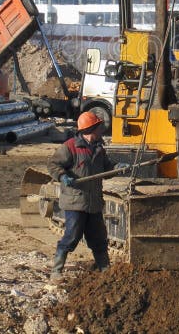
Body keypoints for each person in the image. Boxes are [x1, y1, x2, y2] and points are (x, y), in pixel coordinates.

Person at [47, 110, 121, 280]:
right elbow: (53, 165)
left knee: (99, 238)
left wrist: (117, 168)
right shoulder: (71, 147)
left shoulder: (99, 149)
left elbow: (106, 170)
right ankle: (56, 271)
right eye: (98, 127)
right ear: (90, 129)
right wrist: (62, 176)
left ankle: (104, 269)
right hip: (76, 202)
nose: (101, 130)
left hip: (93, 203)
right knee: (72, 236)